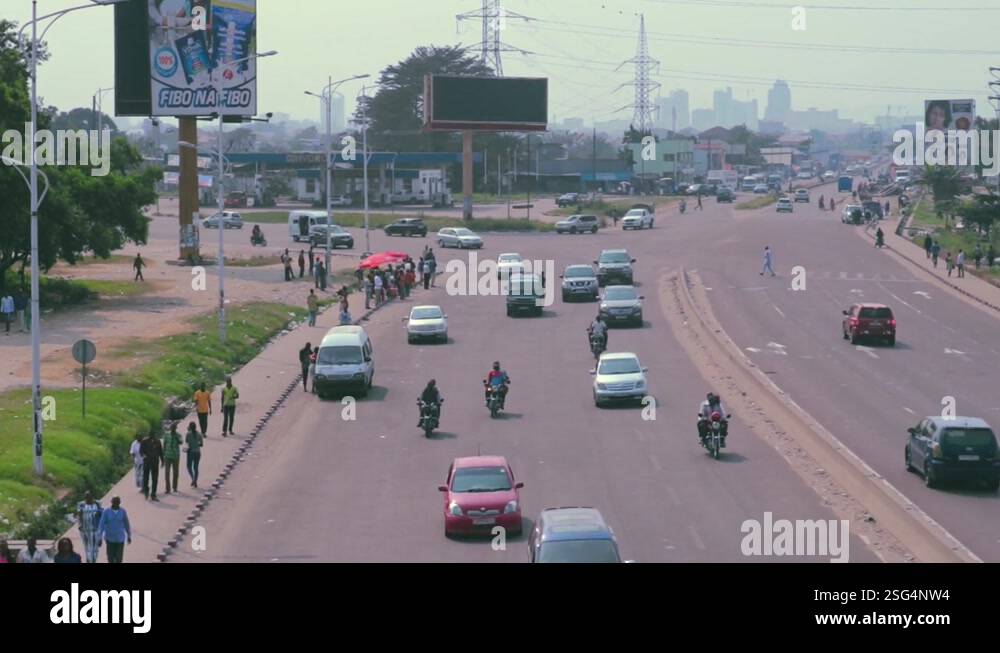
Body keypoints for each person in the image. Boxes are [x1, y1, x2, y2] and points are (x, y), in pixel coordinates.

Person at [97, 496, 131, 564]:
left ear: (119, 502)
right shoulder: (106, 511)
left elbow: (127, 523)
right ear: (111, 502)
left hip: (120, 538)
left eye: (117, 501)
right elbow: (101, 525)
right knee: (110, 558)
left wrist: (129, 535)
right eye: (114, 501)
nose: (116, 503)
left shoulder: (123, 511)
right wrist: (99, 537)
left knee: (119, 558)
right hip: (110, 539)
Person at [76, 490, 102, 564]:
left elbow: (101, 515)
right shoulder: (81, 504)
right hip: (84, 529)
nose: (88, 498)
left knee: (94, 547)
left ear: (92, 497)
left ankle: (93, 560)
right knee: (87, 546)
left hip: (95, 529)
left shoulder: (97, 503)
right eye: (86, 497)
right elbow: (79, 515)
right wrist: (80, 524)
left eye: (89, 496)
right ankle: (89, 559)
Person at [140, 432, 163, 501]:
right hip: (147, 462)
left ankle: (153, 494)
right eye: (150, 436)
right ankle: (146, 492)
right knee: (145, 478)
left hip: (155, 462)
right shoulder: (144, 441)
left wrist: (162, 460)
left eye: (153, 436)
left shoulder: (158, 441)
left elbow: (160, 451)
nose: (152, 437)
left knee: (155, 479)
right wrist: (144, 456)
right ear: (148, 435)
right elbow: (141, 451)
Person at [162, 421, 182, 495]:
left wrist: (176, 438)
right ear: (170, 428)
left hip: (176, 456)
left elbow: (181, 442)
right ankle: (167, 489)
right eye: (172, 428)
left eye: (174, 428)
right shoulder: (166, 435)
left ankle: (175, 487)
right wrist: (163, 455)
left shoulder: (178, 435)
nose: (173, 429)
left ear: (176, 429)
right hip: (167, 456)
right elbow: (164, 445)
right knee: (167, 472)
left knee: (175, 472)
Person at [185, 421, 203, 488]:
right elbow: (201, 444)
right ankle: (195, 480)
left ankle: (193, 479)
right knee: (196, 467)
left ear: (189, 427)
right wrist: (196, 444)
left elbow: (187, 442)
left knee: (189, 466)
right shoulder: (199, 434)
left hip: (190, 452)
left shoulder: (188, 434)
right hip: (198, 452)